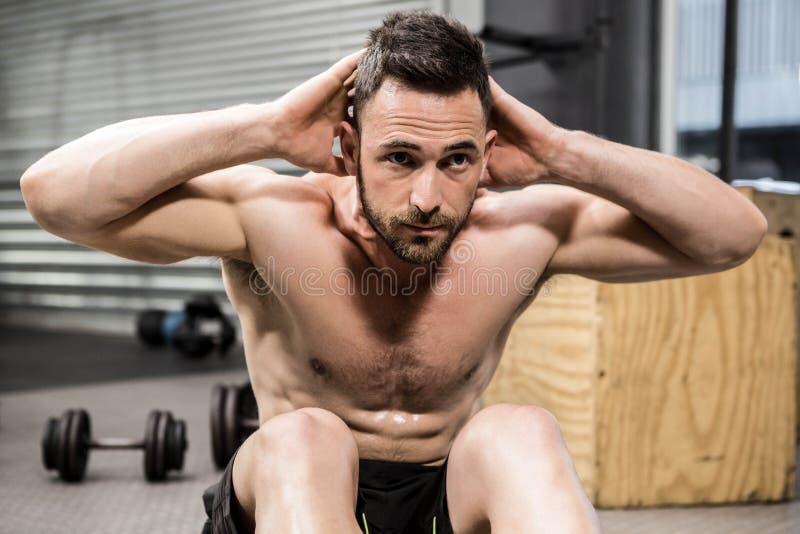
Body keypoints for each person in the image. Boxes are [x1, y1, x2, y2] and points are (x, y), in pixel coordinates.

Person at [20, 10, 766, 534]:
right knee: (304, 439)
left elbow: (733, 236)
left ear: (487, 153)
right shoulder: (272, 217)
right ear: (347, 145)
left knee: (522, 431)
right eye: (400, 157)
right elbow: (55, 197)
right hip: (294, 498)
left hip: (446, 498)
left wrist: (564, 153)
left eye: (456, 162)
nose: (427, 199)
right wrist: (263, 128)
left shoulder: (521, 229)